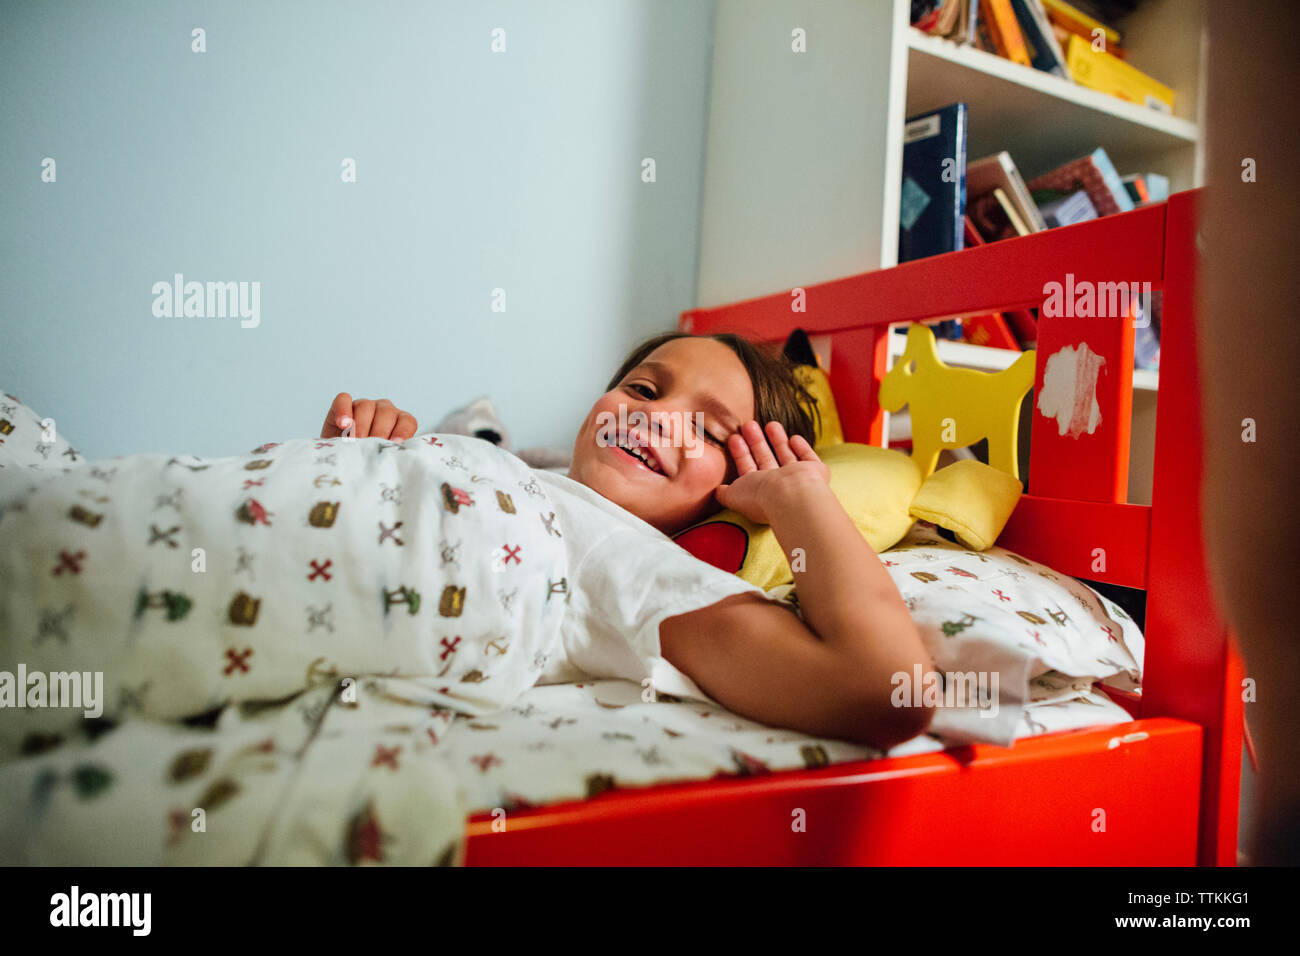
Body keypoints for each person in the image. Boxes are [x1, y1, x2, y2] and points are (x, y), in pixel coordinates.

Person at [318, 331, 936, 752]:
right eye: (642, 390)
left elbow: (886, 687)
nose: (654, 416)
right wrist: (356, 460)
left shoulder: (630, 564)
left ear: (739, 490)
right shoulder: (532, 475)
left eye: (707, 430)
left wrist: (800, 499)